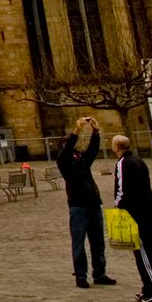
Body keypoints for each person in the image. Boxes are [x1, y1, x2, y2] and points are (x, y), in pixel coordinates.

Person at [57, 117, 115, 289]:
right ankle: (80, 275)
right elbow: (67, 151)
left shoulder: (81, 160)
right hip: (78, 206)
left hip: (93, 203)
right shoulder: (63, 162)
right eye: (70, 144)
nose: (74, 147)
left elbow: (92, 151)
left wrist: (95, 132)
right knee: (79, 242)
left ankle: (99, 273)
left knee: (98, 241)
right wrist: (76, 130)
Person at [112, 135, 152, 302]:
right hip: (145, 211)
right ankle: (148, 289)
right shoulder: (139, 160)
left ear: (116, 147)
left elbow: (121, 190)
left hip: (135, 214)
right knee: (143, 254)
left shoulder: (123, 163)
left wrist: (118, 207)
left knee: (145, 255)